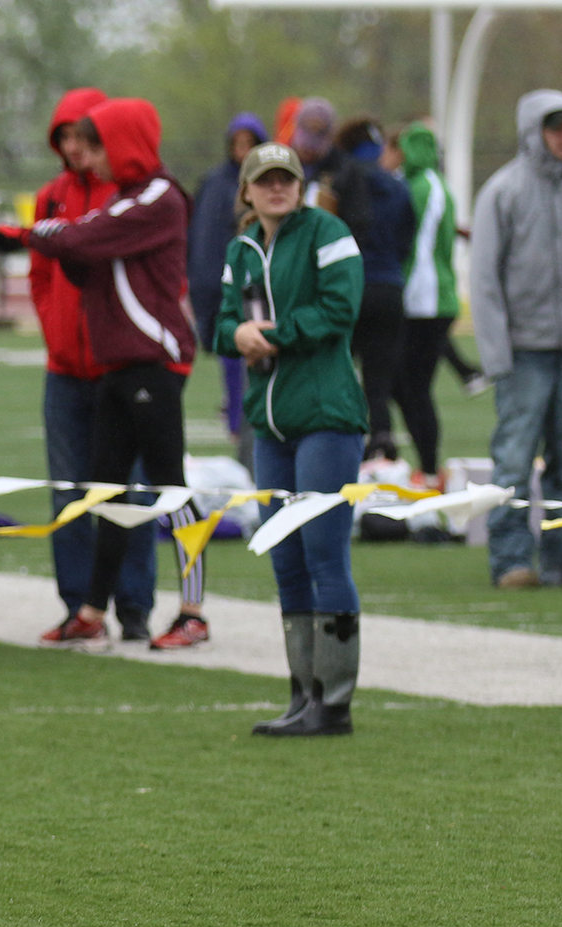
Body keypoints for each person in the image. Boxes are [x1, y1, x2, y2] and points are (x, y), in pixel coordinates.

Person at [16, 98, 207, 651]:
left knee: (171, 488)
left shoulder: (157, 196)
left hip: (155, 363)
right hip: (115, 368)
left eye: (98, 144)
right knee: (106, 491)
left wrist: (29, 233)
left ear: (125, 144)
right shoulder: (124, 199)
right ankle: (93, 610)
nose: (88, 157)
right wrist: (50, 238)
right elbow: (81, 255)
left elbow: (81, 237)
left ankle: (192, 611)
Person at [0, 88, 165, 644]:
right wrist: (56, 329)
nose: (73, 147)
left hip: (121, 368)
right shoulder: (51, 196)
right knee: (69, 494)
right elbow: (44, 274)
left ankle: (135, 605)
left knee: (132, 493)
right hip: (67, 370)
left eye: (83, 137)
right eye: (64, 136)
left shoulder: (131, 195)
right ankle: (78, 607)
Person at [215, 142, 368, 735]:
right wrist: (239, 334)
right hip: (271, 421)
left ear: (301, 185)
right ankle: (303, 695)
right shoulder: (242, 248)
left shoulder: (327, 231)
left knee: (325, 554)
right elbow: (222, 320)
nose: (277, 187)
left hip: (326, 413)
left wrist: (273, 334)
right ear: (247, 189)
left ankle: (335, 703)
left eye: (287, 178)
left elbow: (341, 308)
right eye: (265, 179)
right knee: (285, 557)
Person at [471, 90, 562, 588]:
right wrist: (496, 357)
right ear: (534, 131)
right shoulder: (502, 191)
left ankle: (558, 560)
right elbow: (483, 280)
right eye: (555, 128)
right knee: (513, 460)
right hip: (523, 352)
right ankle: (510, 561)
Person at [333, 116, 416, 462]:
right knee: (378, 382)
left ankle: (344, 444)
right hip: (390, 288)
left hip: (352, 287)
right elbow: (406, 237)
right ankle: (383, 446)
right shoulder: (398, 186)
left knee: (338, 371)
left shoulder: (341, 180)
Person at [187, 113, 267, 457]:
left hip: (253, 290)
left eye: (250, 144)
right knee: (230, 362)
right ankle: (239, 430)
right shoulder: (213, 182)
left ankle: (248, 435)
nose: (242, 150)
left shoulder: (263, 186)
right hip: (214, 284)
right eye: (238, 143)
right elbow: (199, 237)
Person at [395, 121, 459, 480]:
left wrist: (400, 292)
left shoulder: (427, 187)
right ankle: (428, 462)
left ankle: (431, 467)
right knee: (404, 385)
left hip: (428, 301)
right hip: (423, 300)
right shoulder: (422, 184)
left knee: (414, 387)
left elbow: (420, 249)